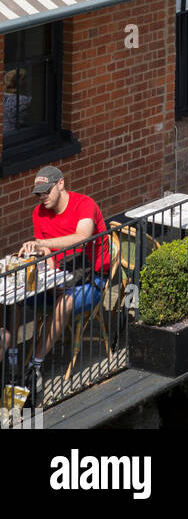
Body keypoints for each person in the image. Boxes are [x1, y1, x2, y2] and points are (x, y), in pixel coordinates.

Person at [17, 167, 110, 395]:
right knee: (14, 296)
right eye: (38, 193)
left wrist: (43, 246)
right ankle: (10, 358)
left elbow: (82, 237)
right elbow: (47, 254)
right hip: (59, 276)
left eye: (46, 191)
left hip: (91, 279)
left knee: (65, 302)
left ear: (60, 184)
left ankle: (34, 366)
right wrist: (34, 251)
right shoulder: (38, 213)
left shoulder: (84, 205)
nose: (42, 197)